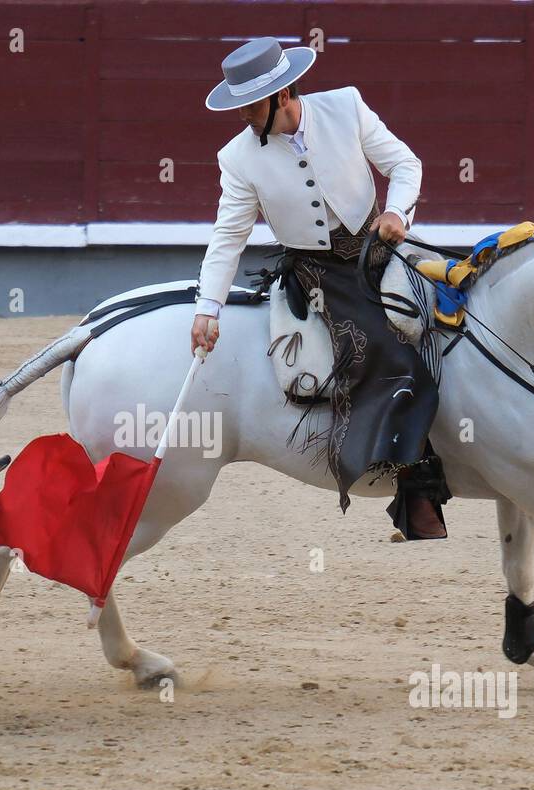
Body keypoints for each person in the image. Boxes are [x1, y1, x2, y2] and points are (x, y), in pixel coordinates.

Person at [191, 37, 449, 539]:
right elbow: (229, 235)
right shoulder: (238, 157)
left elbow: (405, 164)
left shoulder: (345, 106)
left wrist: (396, 212)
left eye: (250, 104)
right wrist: (208, 307)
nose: (243, 114)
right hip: (320, 272)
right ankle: (415, 490)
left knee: (456, 314)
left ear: (282, 95)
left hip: (380, 246)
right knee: (381, 348)